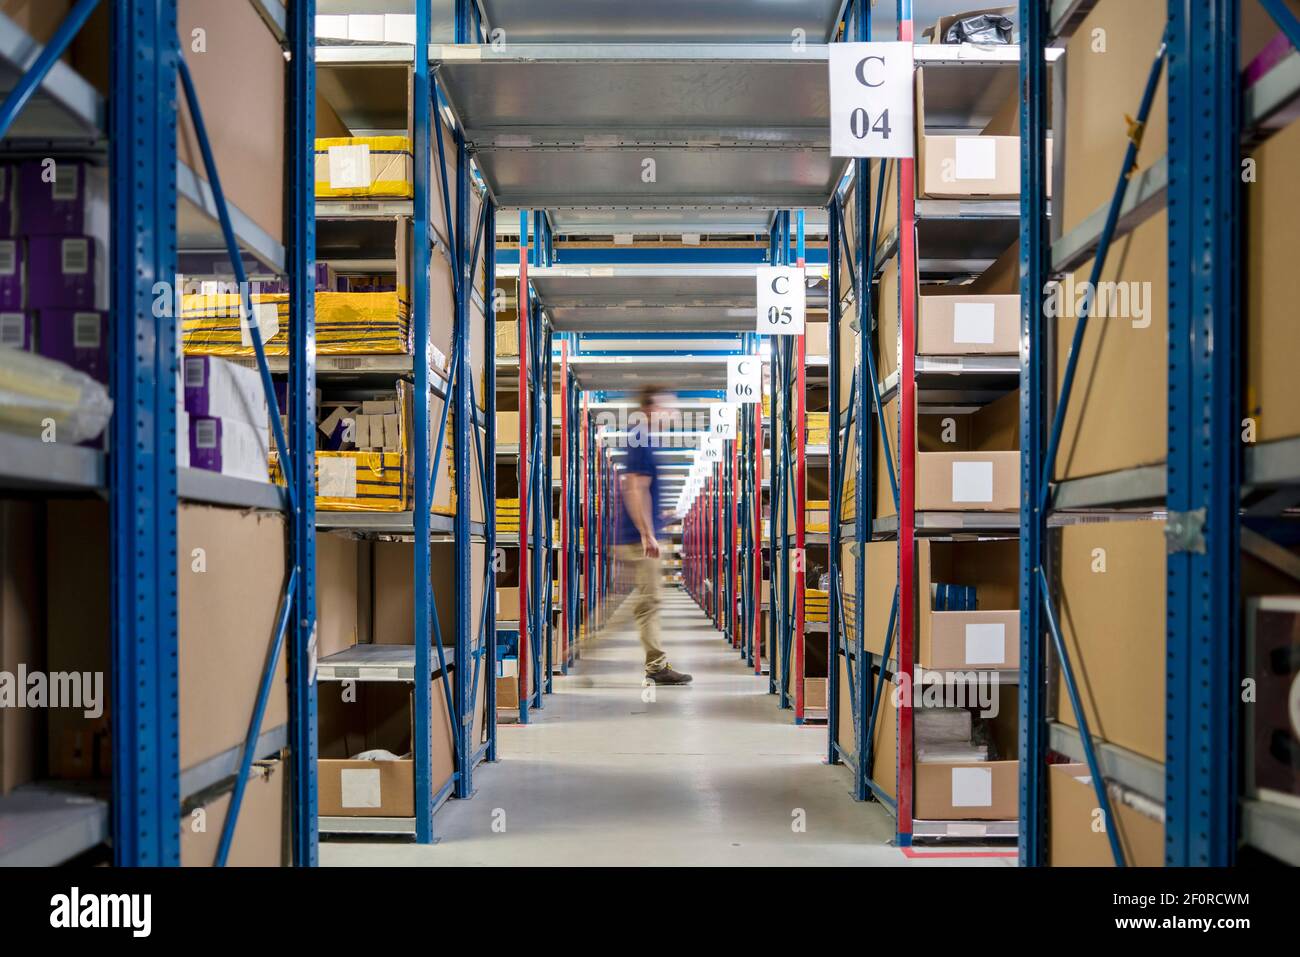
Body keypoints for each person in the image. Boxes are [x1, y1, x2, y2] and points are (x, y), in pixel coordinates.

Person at [614, 386, 693, 685]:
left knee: (642, 603)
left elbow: (638, 489)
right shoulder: (640, 437)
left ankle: (579, 645)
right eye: (667, 407)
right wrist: (648, 534)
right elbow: (634, 488)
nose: (671, 413)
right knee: (649, 603)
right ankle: (656, 666)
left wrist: (657, 519)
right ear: (650, 407)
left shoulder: (643, 438)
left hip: (637, 536)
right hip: (638, 540)